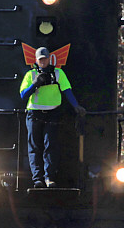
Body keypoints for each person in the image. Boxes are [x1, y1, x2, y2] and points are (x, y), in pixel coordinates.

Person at [19, 47, 86, 188]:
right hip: (34, 114)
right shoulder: (30, 75)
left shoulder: (58, 73)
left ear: (50, 59)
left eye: (45, 58)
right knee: (34, 147)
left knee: (50, 145)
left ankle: (49, 178)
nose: (43, 61)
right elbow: (23, 95)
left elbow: (67, 90)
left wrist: (76, 106)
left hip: (52, 113)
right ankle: (37, 178)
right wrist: (35, 84)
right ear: (36, 60)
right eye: (40, 59)